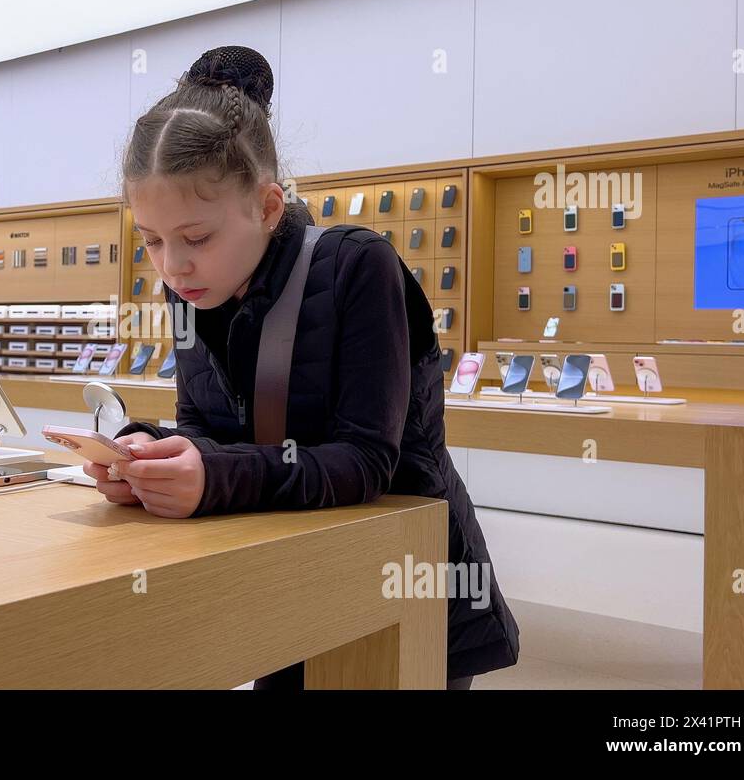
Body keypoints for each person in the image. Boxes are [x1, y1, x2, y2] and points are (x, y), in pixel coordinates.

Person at [82, 46, 519, 690]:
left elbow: (366, 459)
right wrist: (153, 455)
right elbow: (205, 427)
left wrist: (214, 475)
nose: (172, 266)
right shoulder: (184, 296)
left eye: (196, 238)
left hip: (403, 581)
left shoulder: (358, 266)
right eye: (151, 239)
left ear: (265, 207)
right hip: (282, 581)